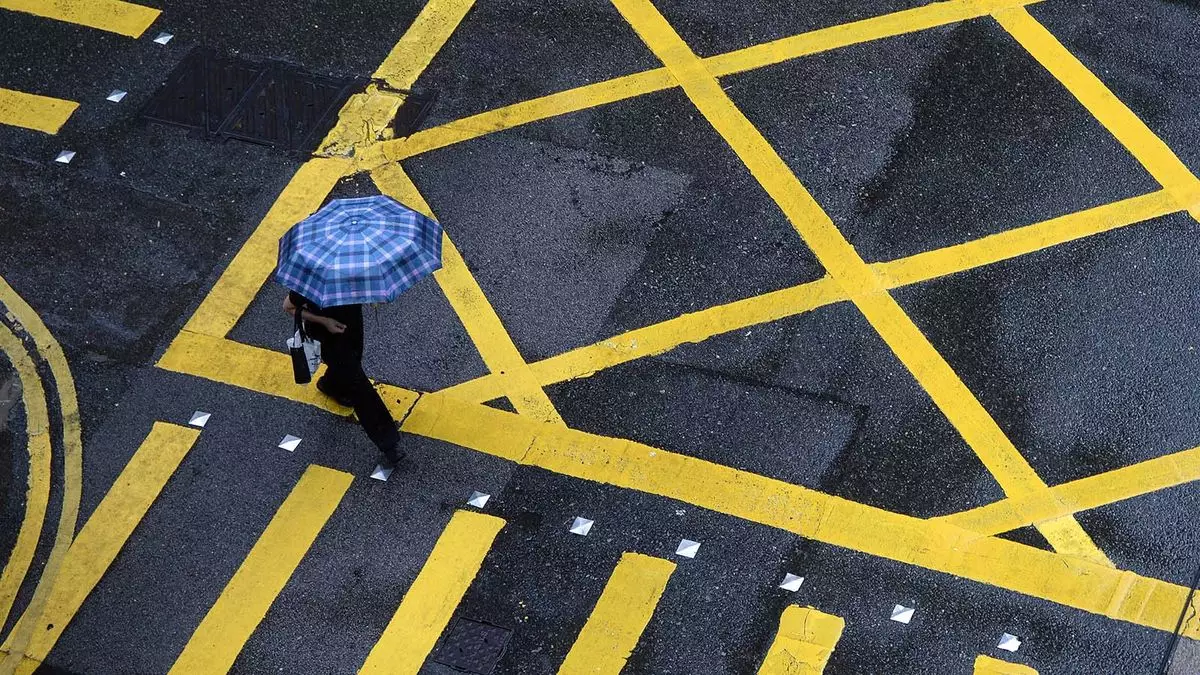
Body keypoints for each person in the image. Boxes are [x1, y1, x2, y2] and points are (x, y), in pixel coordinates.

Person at [283, 291, 403, 469]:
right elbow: (288, 306)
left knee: (351, 367)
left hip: (352, 327)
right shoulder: (313, 280)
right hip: (328, 338)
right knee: (360, 389)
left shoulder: (354, 269)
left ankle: (331, 384)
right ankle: (388, 443)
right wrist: (325, 322)